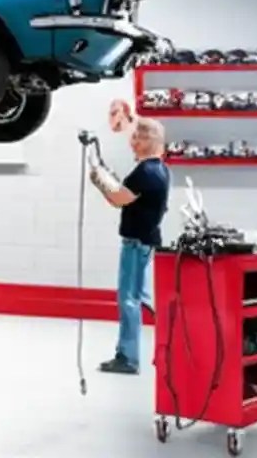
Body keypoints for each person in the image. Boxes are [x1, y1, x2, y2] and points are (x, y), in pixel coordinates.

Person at [89, 116, 171, 375]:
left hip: (136, 245)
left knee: (130, 301)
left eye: (136, 138)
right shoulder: (161, 170)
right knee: (144, 299)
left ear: (148, 140)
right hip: (146, 243)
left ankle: (128, 357)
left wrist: (98, 179)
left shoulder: (145, 172)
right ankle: (169, 348)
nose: (132, 143)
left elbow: (118, 198)